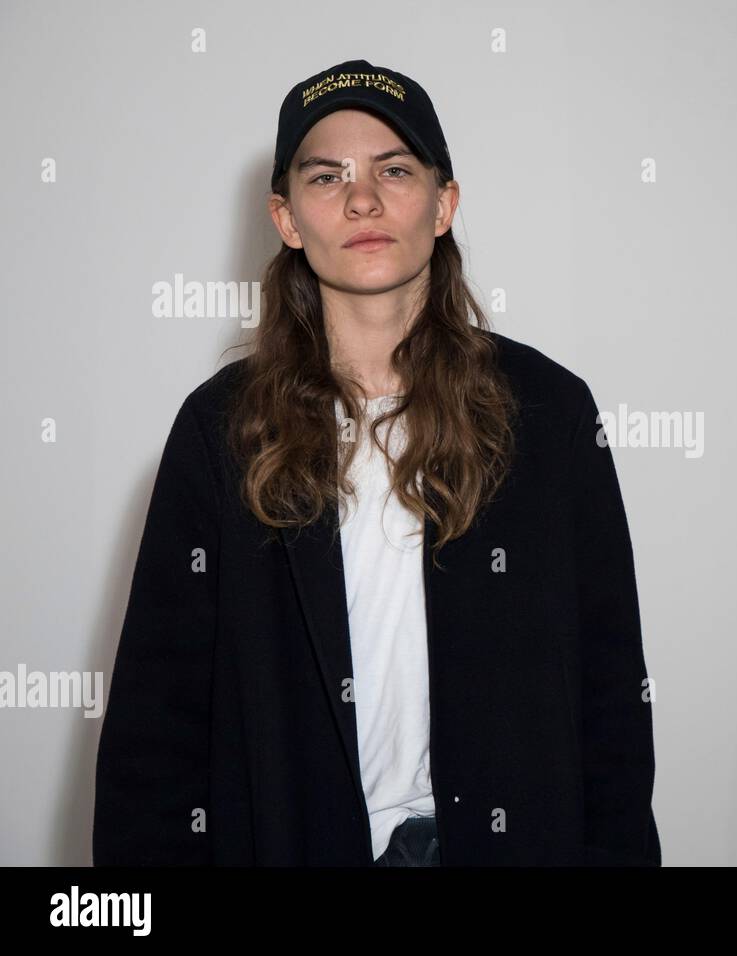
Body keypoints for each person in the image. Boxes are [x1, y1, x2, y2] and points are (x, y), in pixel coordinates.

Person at [92, 59, 661, 866]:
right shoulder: (222, 428)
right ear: (287, 219)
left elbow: (610, 698)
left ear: (444, 204)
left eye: (394, 170)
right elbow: (158, 723)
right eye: (328, 177)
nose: (363, 199)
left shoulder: (548, 411)